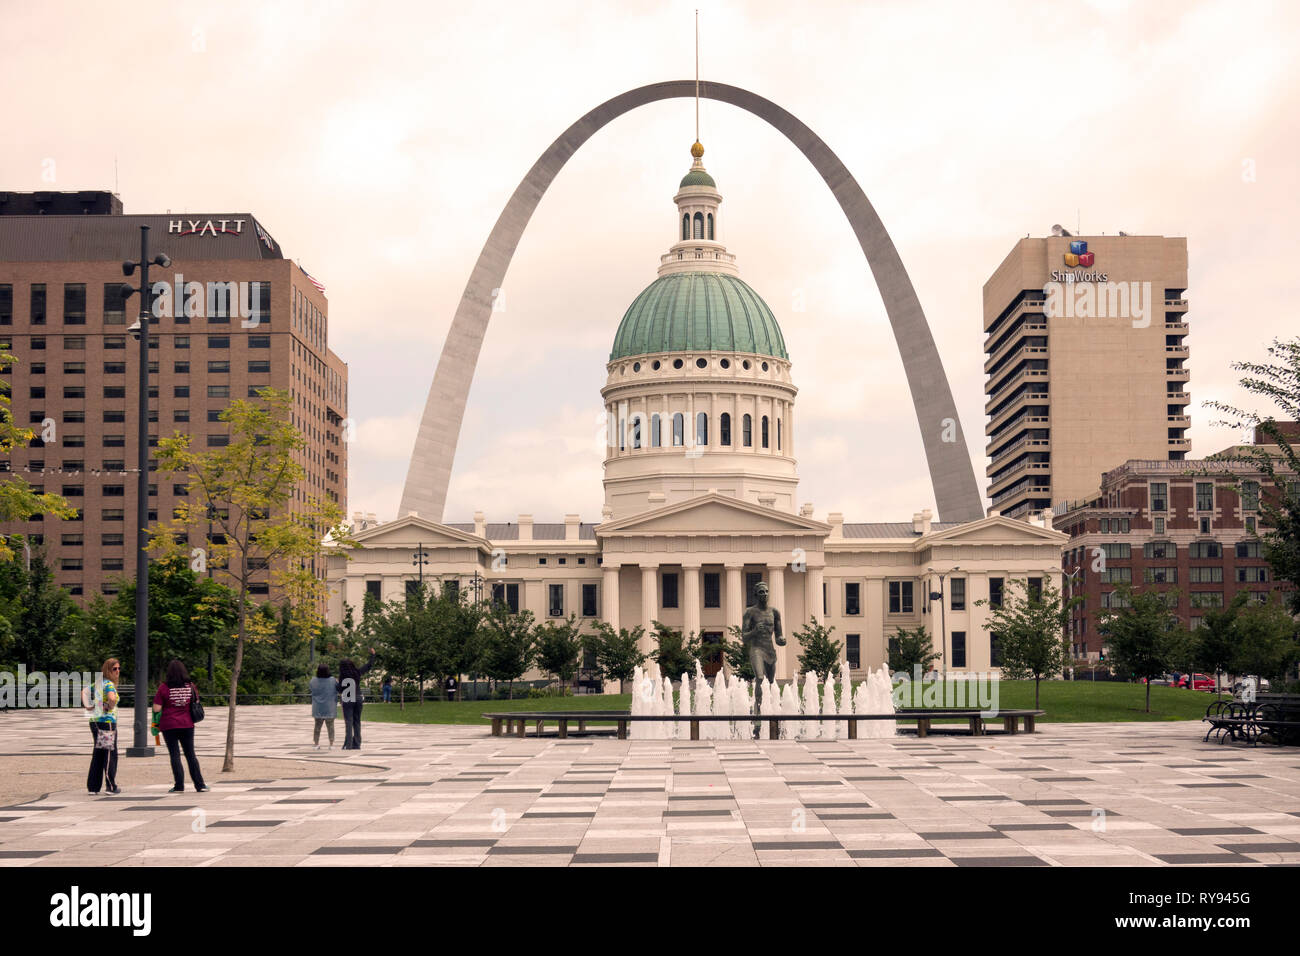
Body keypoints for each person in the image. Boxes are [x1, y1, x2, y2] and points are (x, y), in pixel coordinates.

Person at [152, 659, 208, 793]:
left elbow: (156, 708)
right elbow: (195, 701)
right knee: (190, 754)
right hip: (187, 724)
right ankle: (199, 785)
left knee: (174, 755)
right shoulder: (190, 686)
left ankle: (179, 785)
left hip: (169, 725)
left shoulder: (164, 687)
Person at [84, 658, 121, 795]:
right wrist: (109, 707)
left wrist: (90, 707)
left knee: (98, 752)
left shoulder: (98, 683)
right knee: (109, 752)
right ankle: (111, 786)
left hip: (94, 721)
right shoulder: (109, 684)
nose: (117, 671)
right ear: (108, 670)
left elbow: (84, 692)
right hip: (107, 721)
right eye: (114, 669)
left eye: (118, 668)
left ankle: (93, 787)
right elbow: (111, 699)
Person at [338, 648, 376, 750]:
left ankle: (348, 744)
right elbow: (368, 666)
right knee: (357, 721)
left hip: (347, 699)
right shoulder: (357, 673)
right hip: (358, 697)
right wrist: (373, 655)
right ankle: (357, 743)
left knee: (348, 722)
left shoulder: (342, 677)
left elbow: (339, 689)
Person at [309, 663, 339, 749]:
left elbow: (311, 689)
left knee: (317, 727)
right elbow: (338, 688)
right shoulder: (333, 680)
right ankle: (331, 744)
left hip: (318, 707)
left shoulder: (313, 680)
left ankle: (316, 743)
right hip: (330, 707)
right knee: (330, 727)